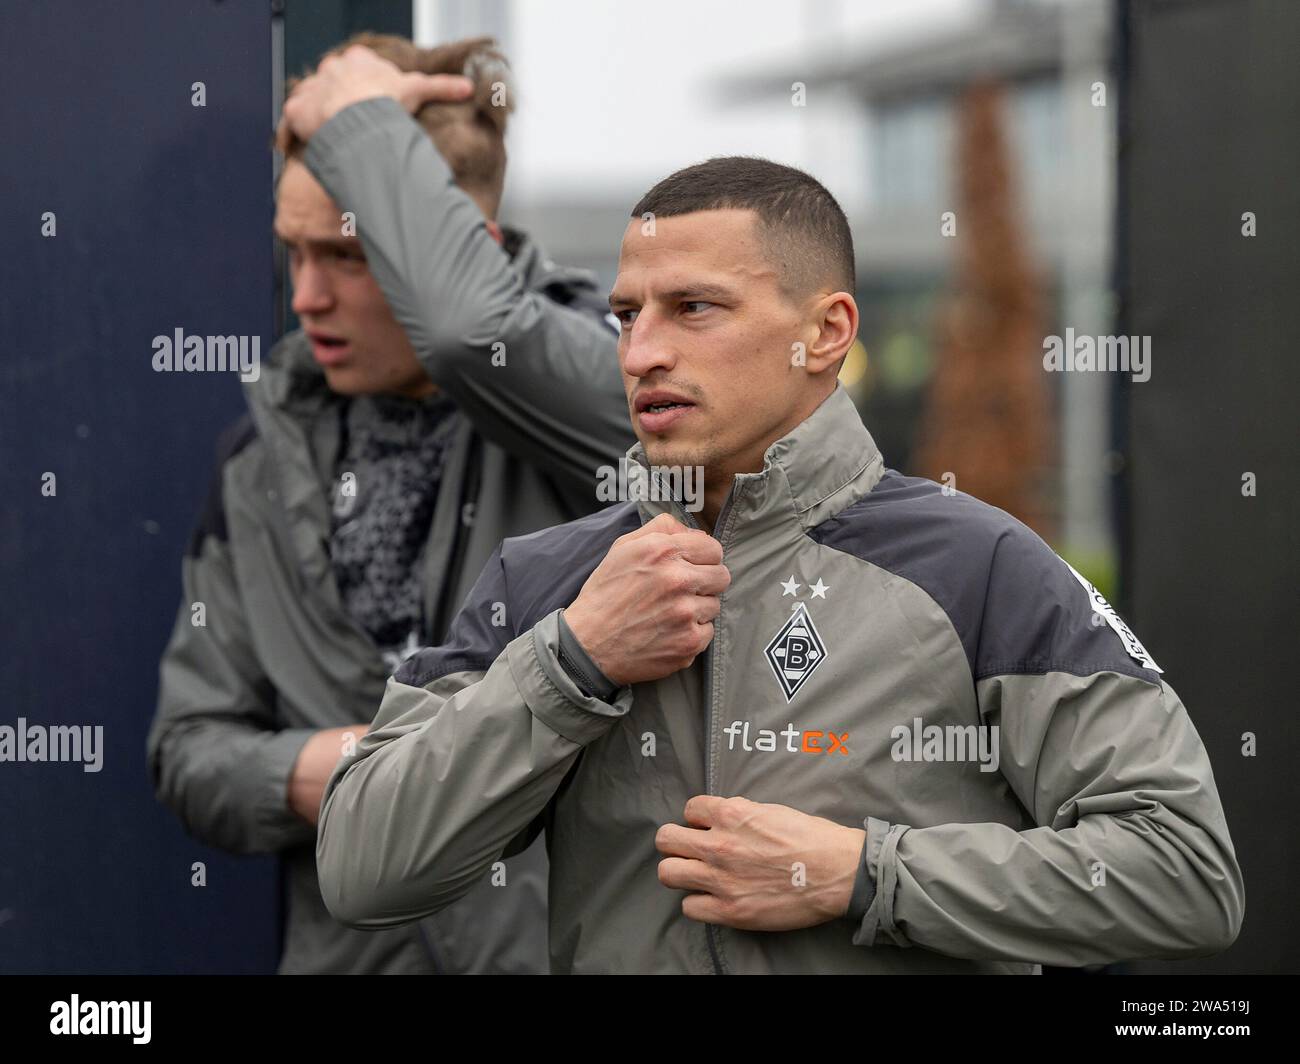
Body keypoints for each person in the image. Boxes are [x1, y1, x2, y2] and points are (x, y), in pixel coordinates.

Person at [315, 155, 1244, 974]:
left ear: (828, 331)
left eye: (695, 308)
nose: (641, 352)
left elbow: (1184, 873)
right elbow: (361, 869)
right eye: (627, 315)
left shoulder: (981, 564)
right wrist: (570, 664)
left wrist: (865, 876)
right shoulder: (547, 584)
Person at [146, 35, 633, 974]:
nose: (305, 297)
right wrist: (315, 769)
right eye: (291, 253)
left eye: (346, 256)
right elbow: (188, 746)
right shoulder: (262, 455)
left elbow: (465, 333)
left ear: (451, 249)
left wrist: (363, 122)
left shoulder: (612, 393)